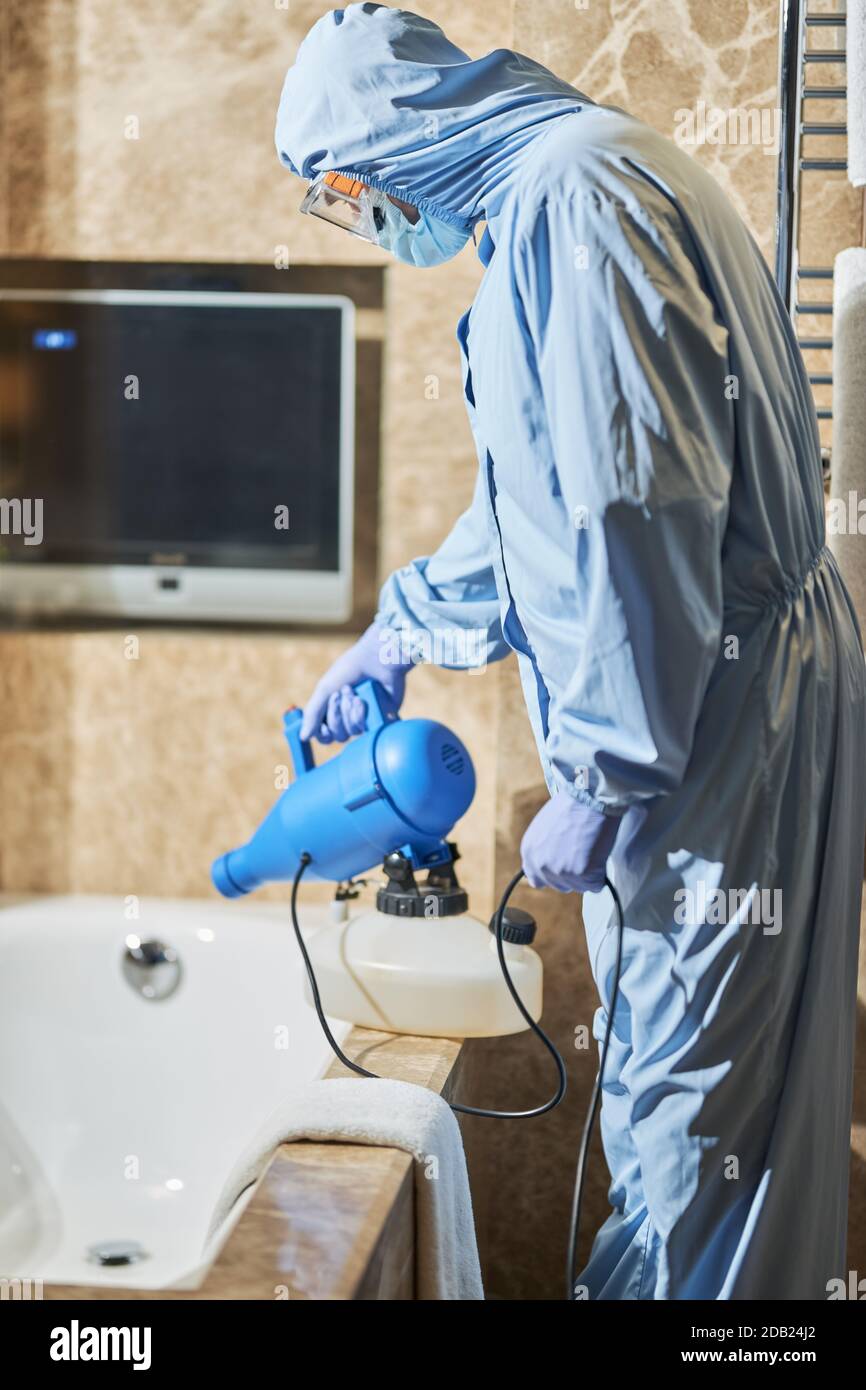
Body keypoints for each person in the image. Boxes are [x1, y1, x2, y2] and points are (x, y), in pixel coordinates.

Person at [275, 4, 866, 1300]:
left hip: (716, 723)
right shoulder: (588, 173)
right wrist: (401, 626)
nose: (365, 219)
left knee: (693, 1121)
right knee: (722, 1105)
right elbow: (538, 493)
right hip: (739, 701)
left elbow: (630, 505)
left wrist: (602, 770)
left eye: (344, 197)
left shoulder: (571, 202)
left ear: (375, 156)